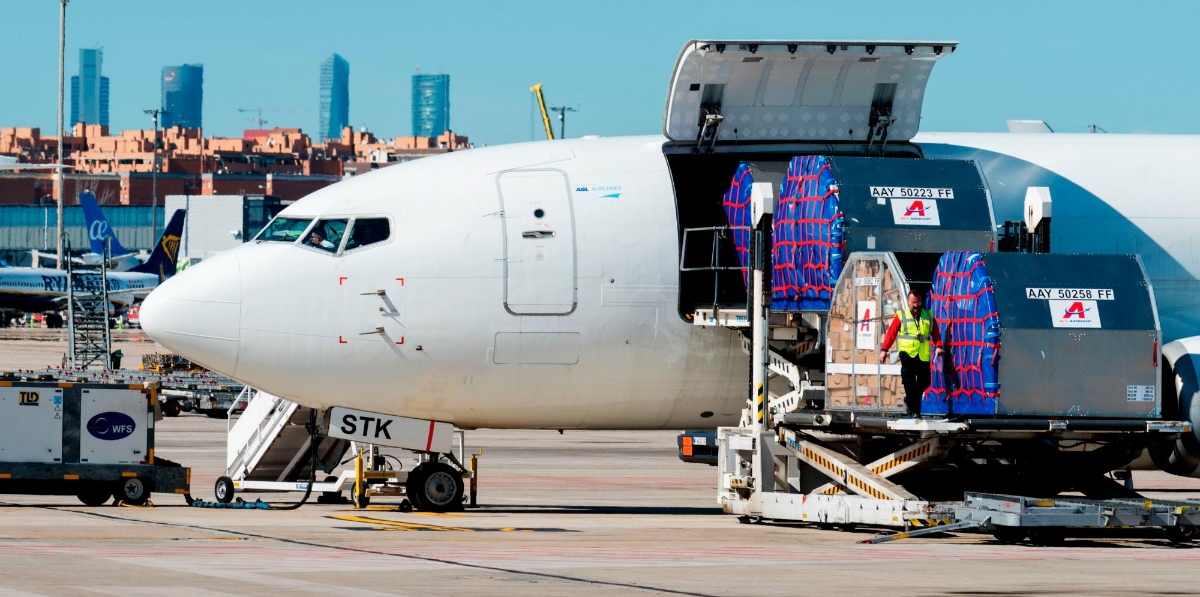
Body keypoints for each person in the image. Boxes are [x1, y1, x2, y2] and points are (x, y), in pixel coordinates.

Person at [878, 289, 943, 416]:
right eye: (913, 303)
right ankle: (914, 411)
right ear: (908, 302)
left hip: (922, 355)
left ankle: (910, 400)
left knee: (925, 382)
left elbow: (935, 332)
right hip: (907, 354)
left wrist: (939, 346)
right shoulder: (901, 315)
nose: (915, 306)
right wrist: (884, 350)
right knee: (909, 382)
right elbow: (891, 333)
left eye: (918, 303)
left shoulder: (928, 315)